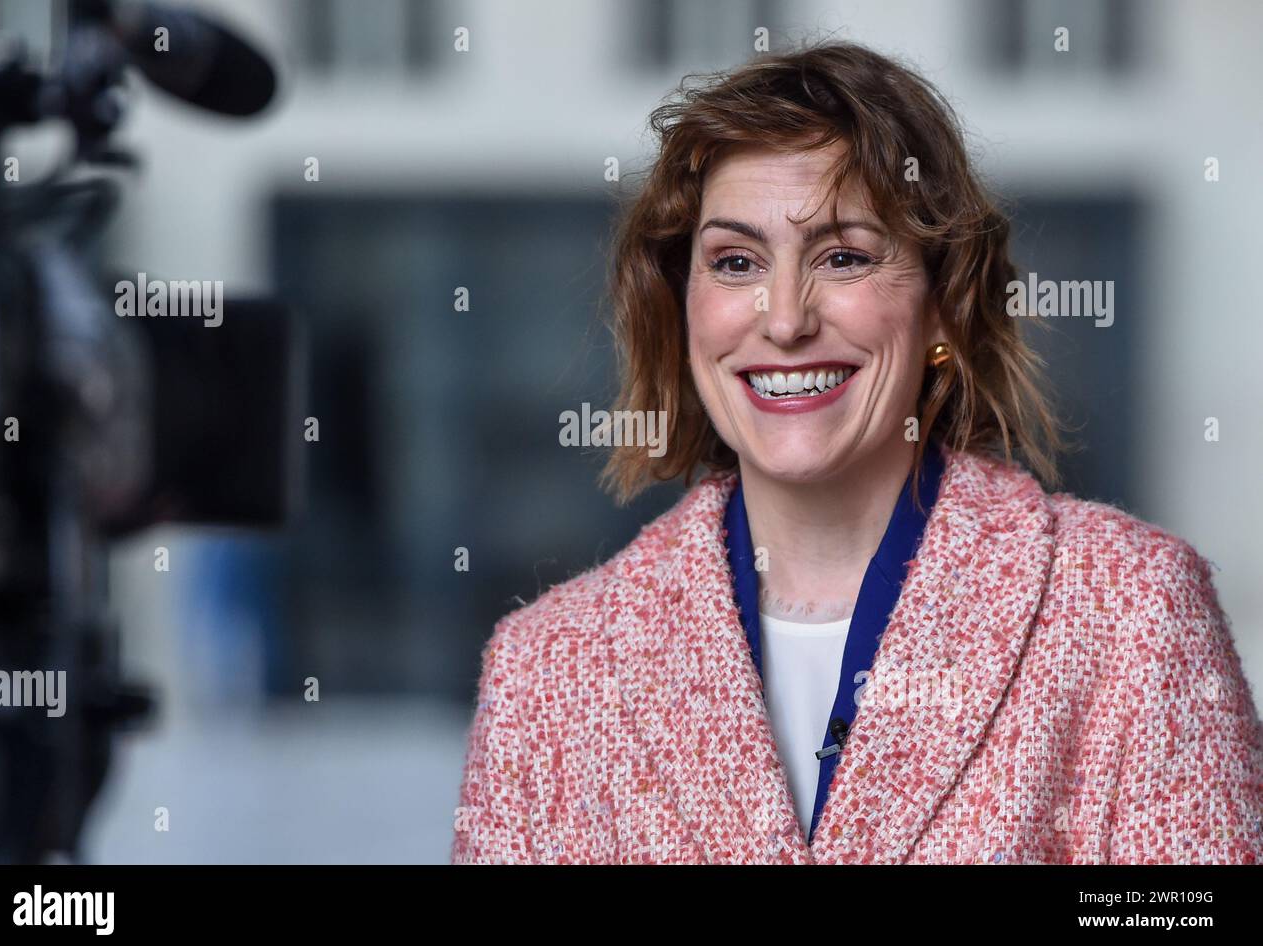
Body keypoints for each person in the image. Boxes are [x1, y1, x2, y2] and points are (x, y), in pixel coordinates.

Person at [450, 39, 1263, 864]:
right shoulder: (547, 670)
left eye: (844, 256)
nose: (785, 318)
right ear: (682, 310)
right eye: (735, 262)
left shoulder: (1133, 612)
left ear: (944, 306)